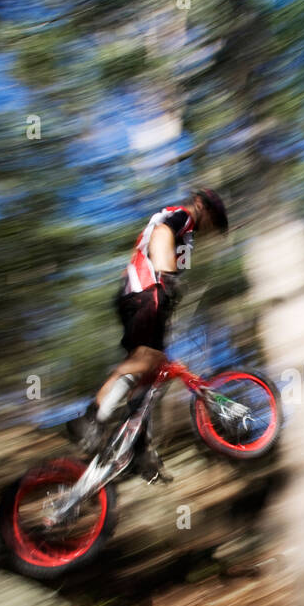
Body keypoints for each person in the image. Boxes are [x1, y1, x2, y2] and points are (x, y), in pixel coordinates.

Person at [66, 189, 228, 477]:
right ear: (201, 205)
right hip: (145, 287)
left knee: (152, 374)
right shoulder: (181, 216)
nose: (211, 227)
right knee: (148, 358)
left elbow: (176, 267)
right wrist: (165, 277)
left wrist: (170, 295)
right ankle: (91, 419)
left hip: (146, 292)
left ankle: (138, 446)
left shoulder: (188, 239)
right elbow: (161, 234)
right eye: (213, 219)